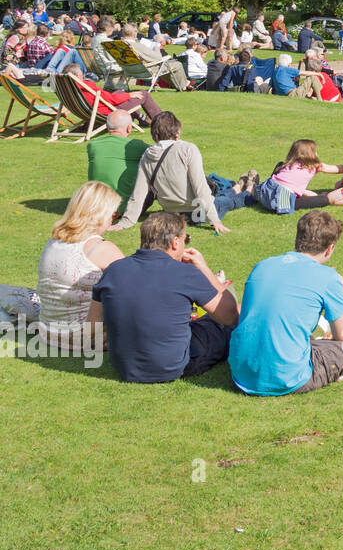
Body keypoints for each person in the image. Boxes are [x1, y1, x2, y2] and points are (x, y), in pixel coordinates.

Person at [230, 211, 343, 395]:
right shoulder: (328, 277)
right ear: (330, 248)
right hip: (288, 377)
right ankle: (341, 370)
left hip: (241, 372)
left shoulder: (263, 265)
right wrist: (339, 291)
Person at [93, 212, 239, 383]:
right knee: (237, 314)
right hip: (174, 365)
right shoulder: (186, 274)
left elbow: (92, 323)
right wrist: (204, 269)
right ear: (175, 242)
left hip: (124, 367)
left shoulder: (113, 270)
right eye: (186, 239)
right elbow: (230, 316)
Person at [111, 111, 253, 233]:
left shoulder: (147, 155)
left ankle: (237, 187)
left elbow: (139, 193)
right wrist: (214, 220)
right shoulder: (187, 149)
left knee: (219, 197)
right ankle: (250, 191)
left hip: (171, 214)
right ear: (177, 133)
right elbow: (200, 188)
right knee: (227, 202)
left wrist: (126, 221)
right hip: (196, 211)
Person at [35, 182, 126, 351]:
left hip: (48, 332)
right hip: (85, 337)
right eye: (113, 214)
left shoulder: (54, 241)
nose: (113, 219)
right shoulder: (101, 248)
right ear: (99, 214)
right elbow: (138, 287)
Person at [87, 110, 148, 210]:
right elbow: (160, 154)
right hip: (124, 207)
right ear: (129, 128)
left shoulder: (93, 145)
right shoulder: (136, 145)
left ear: (107, 127)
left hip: (96, 206)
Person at [66, 64, 164, 124]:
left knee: (119, 92)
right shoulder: (85, 86)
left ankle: (141, 119)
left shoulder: (69, 88)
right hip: (108, 110)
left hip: (95, 110)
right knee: (144, 94)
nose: (83, 75)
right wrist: (129, 95)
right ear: (77, 76)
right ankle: (161, 122)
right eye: (81, 74)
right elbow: (111, 99)